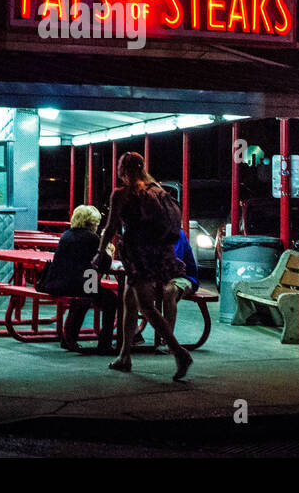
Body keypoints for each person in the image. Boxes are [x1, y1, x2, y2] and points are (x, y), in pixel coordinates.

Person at [93, 152, 192, 380]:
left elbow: (111, 227)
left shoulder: (122, 194)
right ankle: (124, 355)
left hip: (139, 257)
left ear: (122, 170)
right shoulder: (157, 190)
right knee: (128, 300)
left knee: (146, 306)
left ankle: (179, 352)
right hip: (160, 255)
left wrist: (100, 252)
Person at [36, 205, 118, 354]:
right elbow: (105, 265)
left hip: (58, 282)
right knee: (111, 300)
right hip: (77, 283)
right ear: (91, 223)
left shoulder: (67, 235)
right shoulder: (91, 238)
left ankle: (69, 338)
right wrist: (105, 246)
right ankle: (105, 343)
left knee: (88, 295)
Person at [162, 227, 200, 336]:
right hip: (159, 275)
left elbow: (173, 264)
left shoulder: (174, 232)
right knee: (131, 288)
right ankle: (134, 335)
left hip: (183, 277)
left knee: (169, 291)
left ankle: (167, 339)